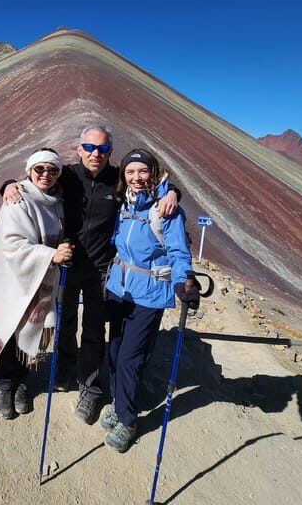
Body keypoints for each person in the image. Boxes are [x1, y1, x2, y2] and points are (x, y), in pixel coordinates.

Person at [3, 126, 181, 425]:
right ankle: (64, 366)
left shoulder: (118, 179)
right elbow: (35, 182)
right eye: (89, 147)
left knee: (95, 332)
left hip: (103, 271)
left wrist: (175, 192)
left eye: (102, 149)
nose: (95, 153)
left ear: (110, 152)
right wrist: (8, 184)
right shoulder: (67, 176)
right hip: (68, 265)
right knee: (65, 322)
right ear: (79, 149)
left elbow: (153, 184)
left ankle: (91, 388)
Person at [100, 148, 199, 452]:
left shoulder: (166, 210)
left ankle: (128, 420)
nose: (136, 177)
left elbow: (179, 252)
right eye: (130, 172)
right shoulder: (123, 203)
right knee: (115, 351)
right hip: (120, 288)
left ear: (153, 173)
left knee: (130, 356)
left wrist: (184, 280)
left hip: (150, 293)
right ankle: (119, 403)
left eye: (142, 171)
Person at [0, 149, 74, 419]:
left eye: (52, 170)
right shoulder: (17, 197)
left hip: (39, 278)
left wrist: (171, 191)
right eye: (39, 169)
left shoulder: (58, 199)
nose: (46, 174)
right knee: (6, 327)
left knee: (29, 329)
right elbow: (12, 244)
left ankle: (22, 380)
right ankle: (4, 385)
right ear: (29, 171)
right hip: (9, 278)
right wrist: (51, 255)